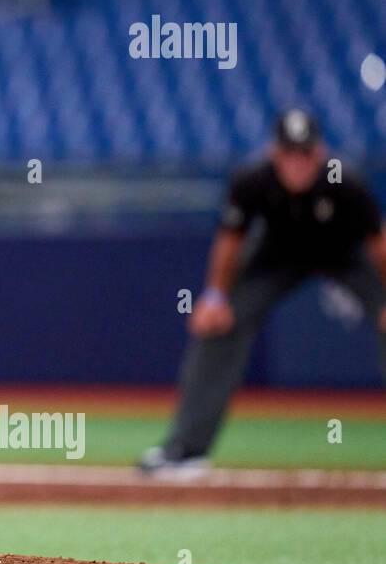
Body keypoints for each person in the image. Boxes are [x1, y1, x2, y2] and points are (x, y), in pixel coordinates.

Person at [141, 108, 386, 477]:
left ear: (319, 153)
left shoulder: (345, 183)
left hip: (344, 253)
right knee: (218, 326)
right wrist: (214, 297)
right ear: (275, 153)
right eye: (289, 153)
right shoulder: (252, 180)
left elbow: (377, 244)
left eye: (305, 154)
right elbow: (230, 240)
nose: (297, 163)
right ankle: (186, 449)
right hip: (277, 255)